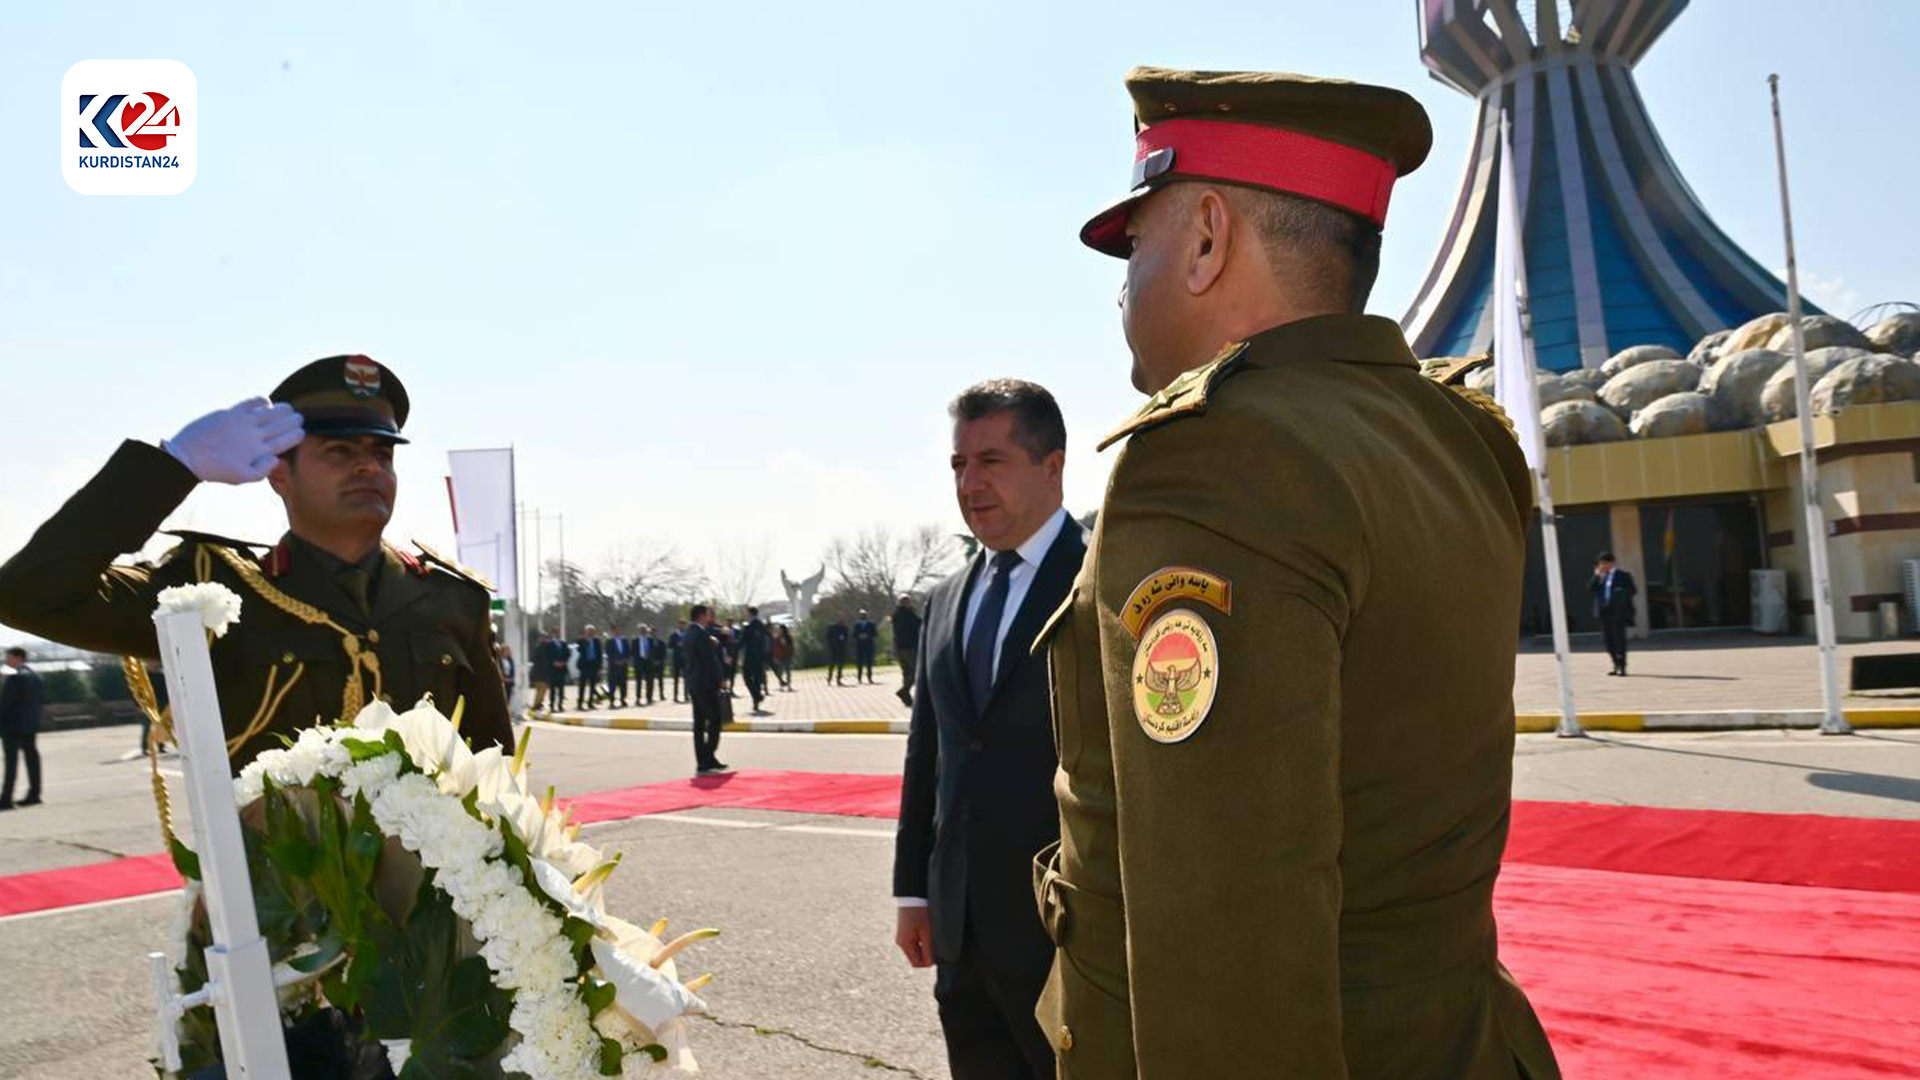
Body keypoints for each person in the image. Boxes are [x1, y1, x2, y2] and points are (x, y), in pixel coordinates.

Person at [1033, 68, 1560, 1078]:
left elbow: (1228, 933)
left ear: (1205, 240)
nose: (1122, 284)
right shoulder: (1454, 437)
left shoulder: (1217, 457)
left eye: (1135, 244)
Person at [0, 355, 513, 770]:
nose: (367, 465)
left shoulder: (452, 599)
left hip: (432, 893)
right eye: (339, 450)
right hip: (275, 894)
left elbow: (494, 765)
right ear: (278, 475)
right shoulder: (213, 592)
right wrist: (173, 466)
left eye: (383, 455)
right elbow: (28, 594)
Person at [895, 379, 1084, 1079]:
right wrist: (913, 892)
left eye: (992, 461)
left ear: (1052, 465)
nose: (969, 483)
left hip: (1066, 930)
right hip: (961, 928)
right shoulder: (945, 600)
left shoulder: (1103, 576)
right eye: (957, 465)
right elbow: (931, 756)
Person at [681, 605, 730, 774]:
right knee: (715, 720)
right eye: (708, 614)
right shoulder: (701, 634)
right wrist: (721, 680)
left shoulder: (689, 633)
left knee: (699, 724)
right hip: (706, 685)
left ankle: (704, 761)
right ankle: (707, 756)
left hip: (694, 684)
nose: (710, 617)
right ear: (701, 616)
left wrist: (712, 643)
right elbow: (710, 661)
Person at [0, 647, 46, 810]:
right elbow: (41, 702)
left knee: (11, 762)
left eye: (9, 657)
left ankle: (6, 799)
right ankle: (34, 794)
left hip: (12, 726)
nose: (7, 661)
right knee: (32, 760)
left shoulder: (15, 678)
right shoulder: (36, 677)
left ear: (18, 658)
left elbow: (4, 704)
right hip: (30, 725)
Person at [1591, 552, 1638, 676]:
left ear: (1612, 563)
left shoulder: (1623, 575)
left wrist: (1620, 593)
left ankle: (1622, 666)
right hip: (1604, 612)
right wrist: (1597, 576)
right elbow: (1590, 589)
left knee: (1619, 640)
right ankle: (1615, 663)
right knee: (1608, 641)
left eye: (1605, 563)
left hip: (1618, 612)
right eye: (1601, 563)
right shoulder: (1600, 576)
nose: (1603, 566)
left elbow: (1633, 590)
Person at [890, 594, 922, 708]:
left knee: (907, 672)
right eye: (906, 602)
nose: (909, 604)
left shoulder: (896, 615)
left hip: (900, 647)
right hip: (908, 648)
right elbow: (919, 624)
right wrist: (913, 612)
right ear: (902, 603)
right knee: (915, 672)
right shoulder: (906, 614)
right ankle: (903, 691)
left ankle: (906, 698)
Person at [741, 607, 773, 716]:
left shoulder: (748, 627)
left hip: (750, 657)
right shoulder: (761, 626)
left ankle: (757, 696)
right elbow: (768, 639)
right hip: (761, 657)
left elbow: (742, 642)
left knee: (747, 677)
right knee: (757, 679)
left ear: (750, 614)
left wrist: (733, 653)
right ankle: (756, 700)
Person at [574, 625, 603, 710]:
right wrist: (586, 641)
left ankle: (590, 703)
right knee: (582, 685)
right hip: (584, 666)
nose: (591, 633)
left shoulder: (597, 641)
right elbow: (580, 650)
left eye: (593, 631)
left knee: (593, 686)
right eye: (589, 631)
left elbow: (599, 654)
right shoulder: (581, 641)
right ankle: (580, 703)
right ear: (586, 632)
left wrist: (599, 667)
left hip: (594, 665)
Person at [542, 630, 570, 714]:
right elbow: (546, 656)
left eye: (558, 633)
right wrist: (554, 662)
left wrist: (564, 662)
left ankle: (560, 705)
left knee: (561, 689)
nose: (557, 634)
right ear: (553, 634)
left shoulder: (564, 643)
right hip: (553, 670)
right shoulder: (549, 644)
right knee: (553, 689)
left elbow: (567, 654)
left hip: (562, 669)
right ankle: (552, 706)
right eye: (555, 633)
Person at [606, 624, 631, 707]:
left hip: (623, 666)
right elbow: (609, 653)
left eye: (619, 630)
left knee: (623, 684)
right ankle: (612, 701)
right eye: (615, 630)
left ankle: (623, 699)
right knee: (612, 684)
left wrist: (624, 660)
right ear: (613, 631)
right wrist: (615, 661)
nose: (617, 632)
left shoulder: (625, 640)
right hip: (613, 666)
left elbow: (628, 652)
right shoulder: (609, 641)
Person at [852, 609, 880, 684]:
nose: (863, 615)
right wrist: (859, 636)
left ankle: (869, 678)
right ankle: (859, 678)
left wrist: (867, 635)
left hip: (869, 646)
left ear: (866, 615)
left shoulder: (871, 624)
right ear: (860, 615)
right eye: (862, 614)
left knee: (869, 663)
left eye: (864, 614)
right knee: (859, 663)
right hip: (859, 646)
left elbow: (875, 634)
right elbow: (853, 634)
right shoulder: (856, 624)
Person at [529, 630, 552, 712]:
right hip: (540, 673)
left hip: (539, 672)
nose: (546, 639)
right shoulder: (541, 647)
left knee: (541, 690)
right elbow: (543, 660)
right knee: (541, 690)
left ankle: (538, 705)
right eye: (544, 637)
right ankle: (536, 706)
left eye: (546, 637)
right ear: (541, 638)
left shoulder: (539, 646)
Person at [770, 624, 795, 691]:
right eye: (779, 629)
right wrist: (775, 656)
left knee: (788, 671)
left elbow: (791, 647)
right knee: (780, 672)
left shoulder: (788, 637)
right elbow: (775, 648)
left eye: (780, 629)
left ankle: (789, 685)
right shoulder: (777, 638)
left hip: (787, 656)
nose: (779, 630)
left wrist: (792, 654)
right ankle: (781, 685)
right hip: (780, 657)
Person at [827, 616, 851, 685]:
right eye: (840, 620)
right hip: (834, 649)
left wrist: (843, 638)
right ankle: (829, 678)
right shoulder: (832, 627)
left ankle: (838, 679)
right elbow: (828, 637)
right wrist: (831, 644)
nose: (841, 622)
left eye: (842, 621)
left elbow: (847, 637)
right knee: (832, 664)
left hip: (841, 649)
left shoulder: (845, 628)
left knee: (840, 665)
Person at [668, 620, 687, 703]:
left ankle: (686, 695)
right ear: (678, 625)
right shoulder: (673, 635)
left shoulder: (687, 634)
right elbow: (669, 645)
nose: (682, 626)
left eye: (683, 624)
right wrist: (677, 644)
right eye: (680, 624)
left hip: (685, 659)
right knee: (676, 679)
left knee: (687, 679)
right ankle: (675, 696)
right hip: (676, 659)